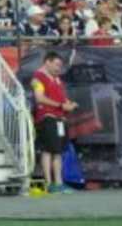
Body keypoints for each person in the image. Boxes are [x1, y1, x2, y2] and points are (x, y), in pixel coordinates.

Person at [31, 52, 77, 194]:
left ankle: (59, 183)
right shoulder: (37, 78)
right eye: (56, 65)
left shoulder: (57, 79)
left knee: (58, 151)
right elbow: (39, 98)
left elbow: (62, 98)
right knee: (47, 150)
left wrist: (69, 104)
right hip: (47, 118)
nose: (59, 68)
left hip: (60, 119)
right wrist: (61, 106)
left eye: (60, 66)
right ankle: (49, 183)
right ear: (47, 62)